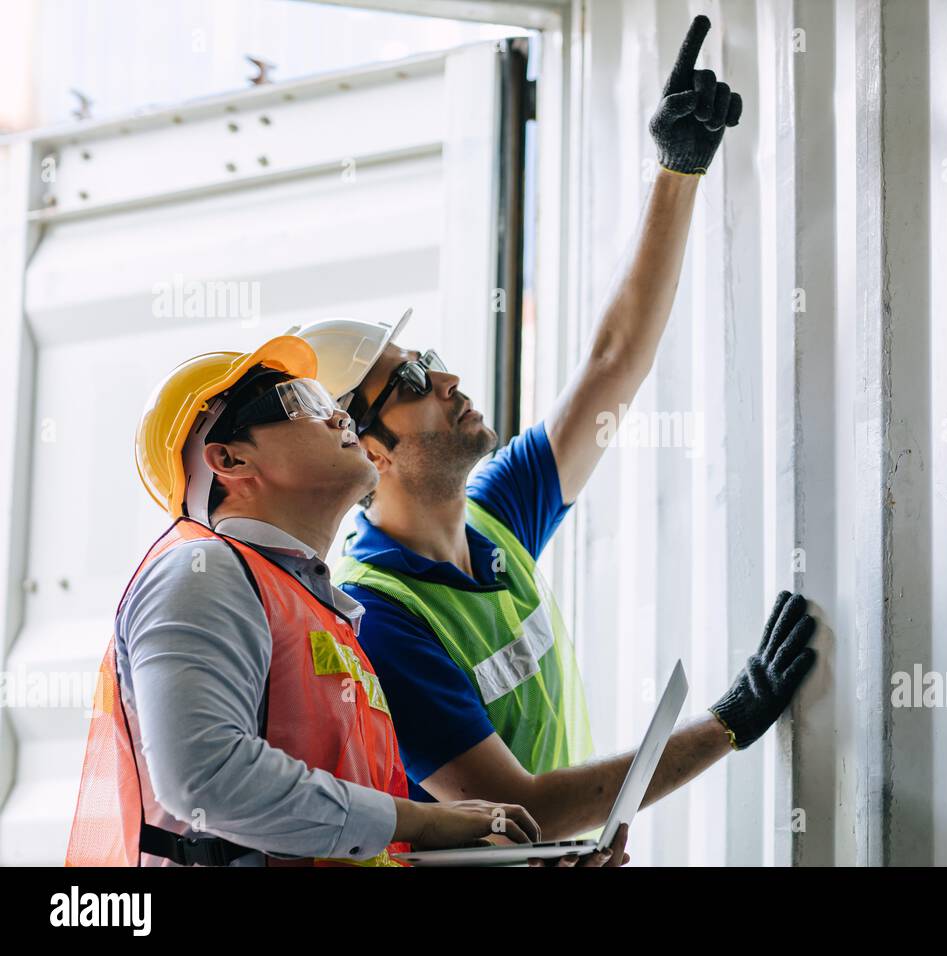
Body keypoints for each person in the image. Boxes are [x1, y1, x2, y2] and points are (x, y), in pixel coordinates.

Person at [294, 15, 817, 859]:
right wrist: (730, 722)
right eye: (415, 382)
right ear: (368, 449)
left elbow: (612, 365)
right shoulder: (383, 622)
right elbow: (520, 806)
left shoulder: (495, 517)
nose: (450, 379)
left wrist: (678, 169)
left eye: (430, 358)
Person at [65, 335, 542, 866]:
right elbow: (206, 778)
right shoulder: (201, 573)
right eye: (303, 404)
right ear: (229, 458)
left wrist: (504, 860)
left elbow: (330, 838)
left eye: (330, 401)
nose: (340, 418)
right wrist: (423, 820)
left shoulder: (313, 607)